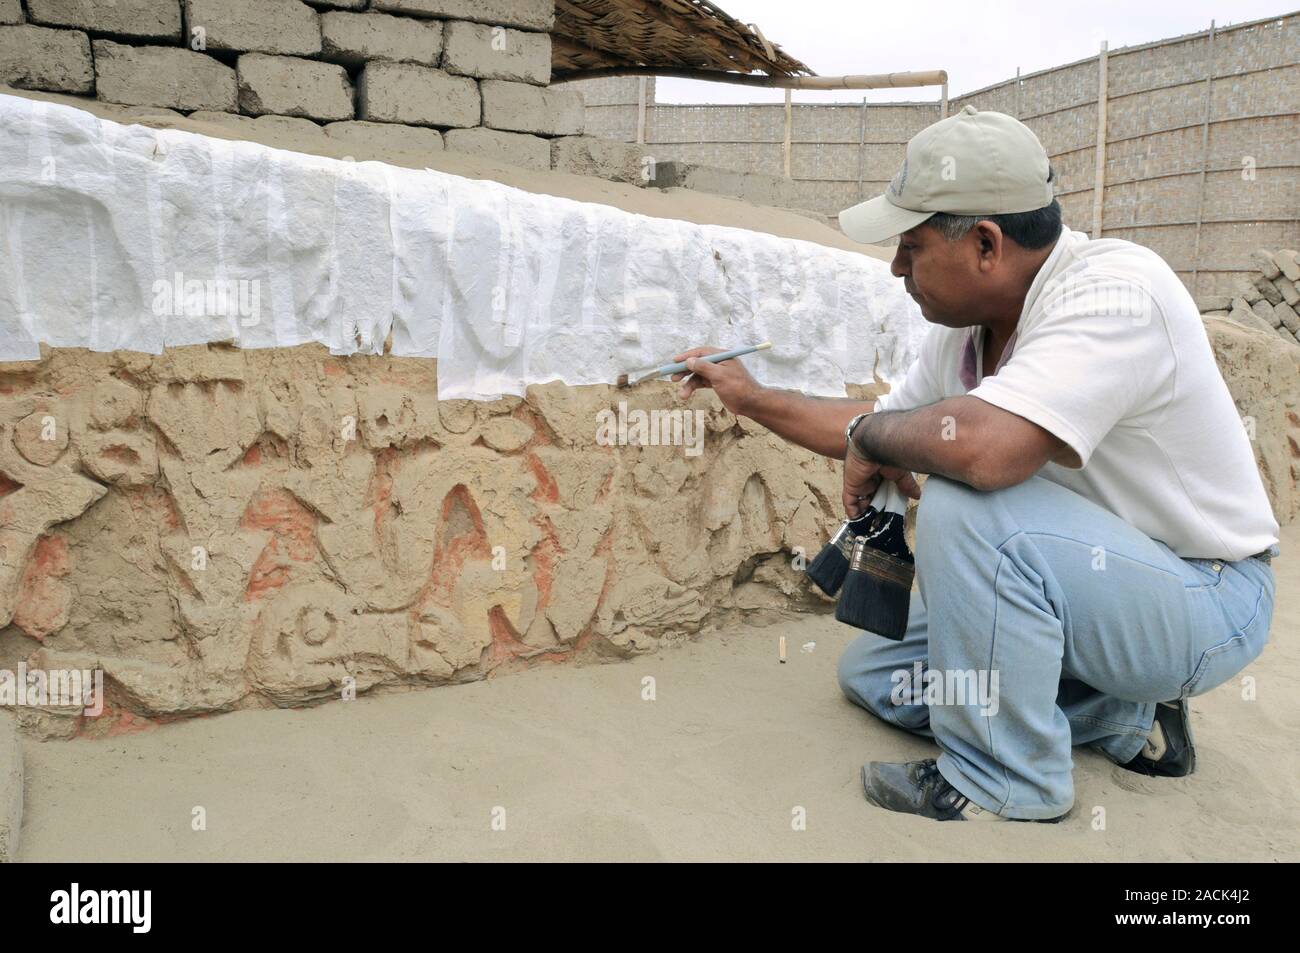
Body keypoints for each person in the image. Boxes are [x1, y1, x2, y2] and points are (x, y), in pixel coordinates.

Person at [672, 106, 1280, 822]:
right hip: (1095, 590)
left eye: (912, 245)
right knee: (877, 674)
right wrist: (752, 396)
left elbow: (987, 452)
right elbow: (877, 423)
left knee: (968, 500)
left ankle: (1006, 776)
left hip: (1204, 598)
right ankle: (1127, 718)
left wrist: (877, 436)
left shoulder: (1118, 293)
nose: (897, 266)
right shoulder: (968, 333)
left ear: (986, 245)